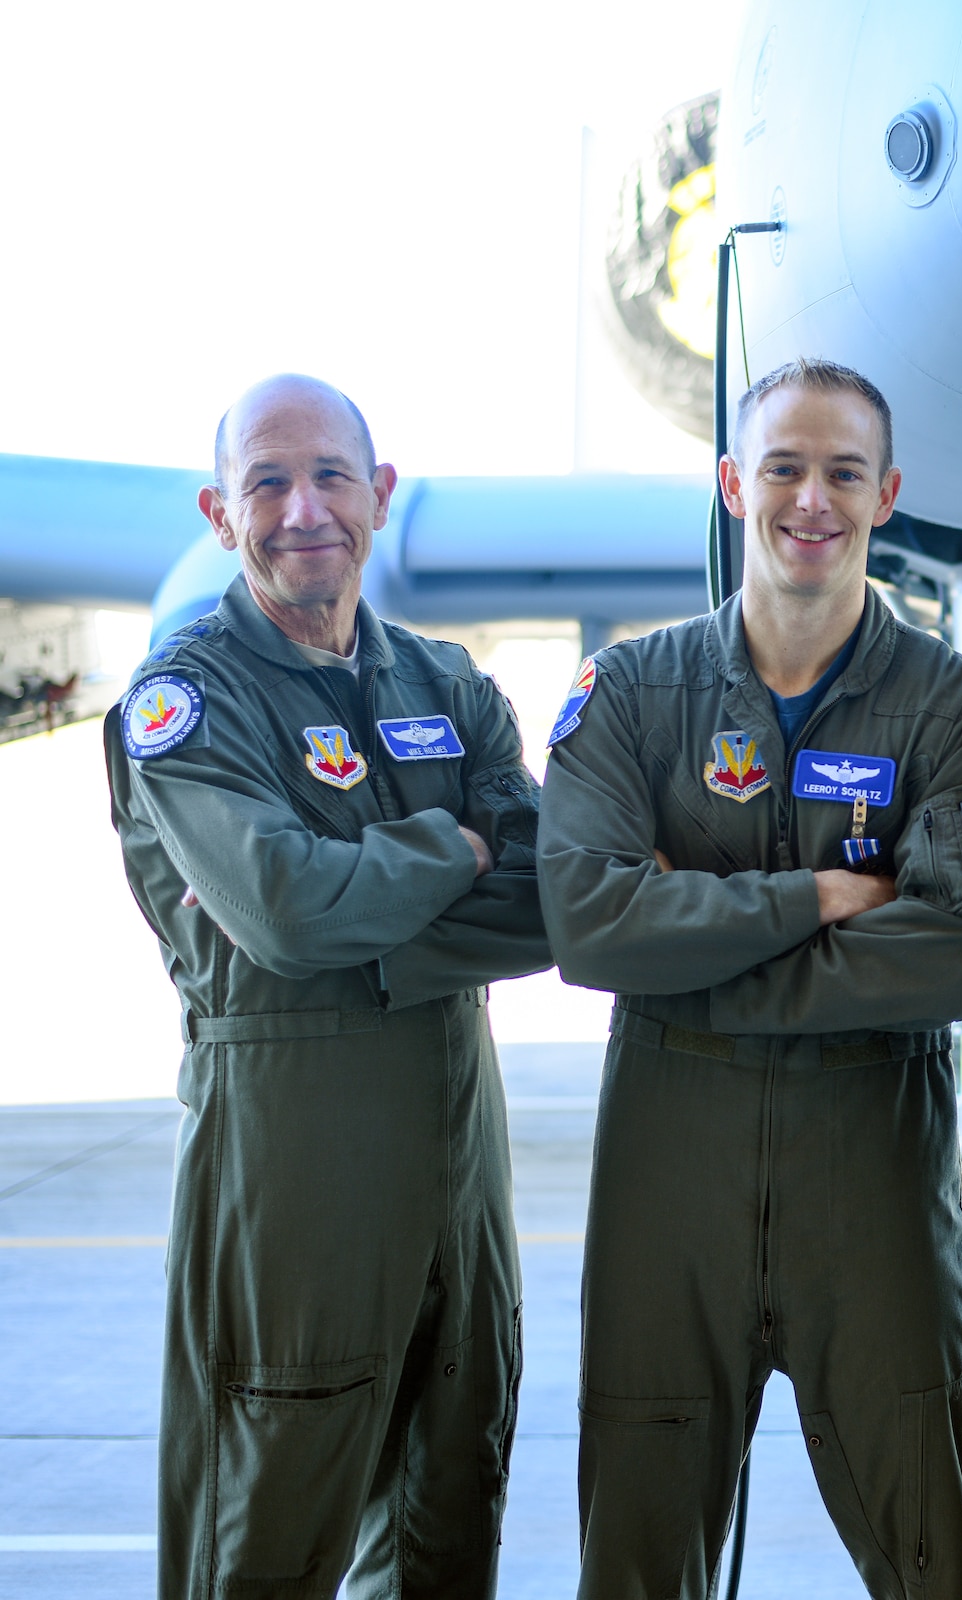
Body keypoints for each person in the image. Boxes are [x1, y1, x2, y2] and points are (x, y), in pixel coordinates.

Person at [537, 357, 962, 1600]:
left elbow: (950, 953)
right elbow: (590, 925)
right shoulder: (633, 696)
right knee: (639, 1556)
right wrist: (807, 899)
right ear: (730, 484)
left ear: (886, 494)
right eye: (783, 469)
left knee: (935, 1548)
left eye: (842, 473)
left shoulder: (950, 707)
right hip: (669, 1180)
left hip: (871, 1176)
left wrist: (689, 951)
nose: (810, 499)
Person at [104, 374, 551, 1599]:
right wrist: (450, 848)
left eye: (331, 477)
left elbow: (546, 896)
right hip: (293, 1157)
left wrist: (377, 918)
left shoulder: (444, 685)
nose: (304, 509)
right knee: (270, 1517)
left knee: (450, 1507)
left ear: (381, 495)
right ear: (219, 511)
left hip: (461, 1160)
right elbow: (285, 909)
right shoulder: (188, 699)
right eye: (267, 481)